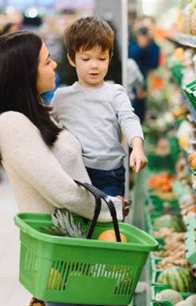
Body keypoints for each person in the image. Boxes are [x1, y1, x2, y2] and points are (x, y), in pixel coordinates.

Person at [0, 30, 130, 306]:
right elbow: (62, 192)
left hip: (77, 253)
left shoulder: (38, 112)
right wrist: (113, 207)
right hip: (65, 261)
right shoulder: (12, 124)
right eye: (47, 62)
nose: (55, 65)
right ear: (25, 74)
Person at [51, 17, 147, 198]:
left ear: (110, 57)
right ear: (72, 59)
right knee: (82, 224)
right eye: (86, 58)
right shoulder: (62, 97)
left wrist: (137, 146)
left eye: (101, 58)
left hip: (110, 175)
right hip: (75, 174)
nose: (94, 65)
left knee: (108, 224)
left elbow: (129, 118)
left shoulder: (115, 93)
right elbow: (48, 127)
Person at [128, 16, 161, 121]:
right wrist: (140, 46)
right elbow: (130, 57)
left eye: (149, 28)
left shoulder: (154, 46)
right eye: (144, 28)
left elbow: (153, 64)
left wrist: (150, 42)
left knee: (140, 116)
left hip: (144, 85)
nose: (145, 31)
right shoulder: (132, 41)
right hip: (130, 84)